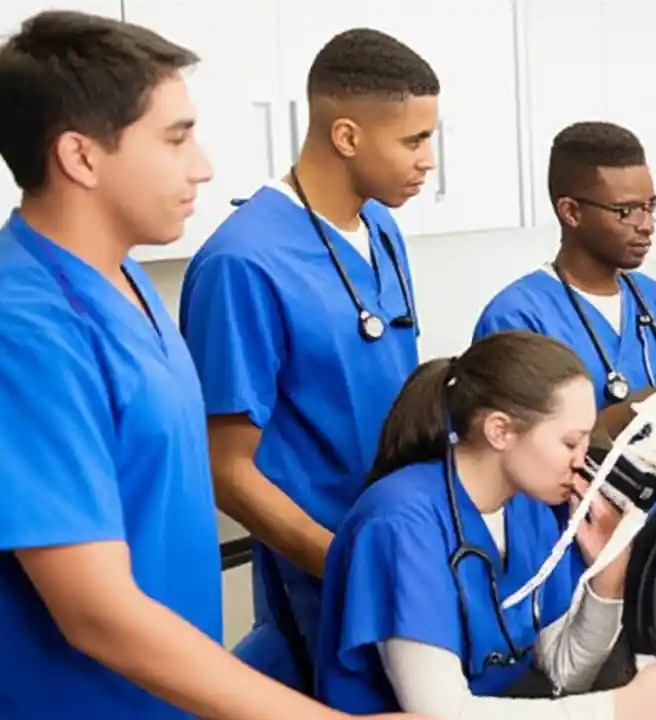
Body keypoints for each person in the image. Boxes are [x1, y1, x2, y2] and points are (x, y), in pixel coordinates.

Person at [0, 10, 425, 719]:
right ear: (81, 157)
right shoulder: (27, 332)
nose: (202, 165)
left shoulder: (125, 282)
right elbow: (96, 614)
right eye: (175, 138)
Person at [179, 27, 437, 689]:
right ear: (346, 136)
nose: (429, 160)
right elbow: (226, 470)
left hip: (402, 556)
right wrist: (345, 566)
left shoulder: (381, 227)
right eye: (413, 140)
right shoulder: (243, 263)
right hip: (320, 583)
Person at [316, 330, 656, 719]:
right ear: (500, 431)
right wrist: (621, 707)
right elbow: (439, 714)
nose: (582, 462)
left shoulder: (527, 506)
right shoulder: (399, 526)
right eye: (570, 442)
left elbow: (564, 673)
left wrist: (607, 580)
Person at [472, 121, 656, 588]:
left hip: (654, 542)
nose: (645, 224)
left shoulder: (653, 300)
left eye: (650, 206)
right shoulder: (518, 316)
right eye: (625, 211)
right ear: (571, 211)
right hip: (564, 555)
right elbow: (553, 448)